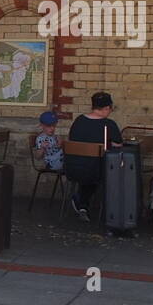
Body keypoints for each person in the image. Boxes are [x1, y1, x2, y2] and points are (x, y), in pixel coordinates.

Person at [66, 91, 121, 221]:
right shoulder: (109, 124)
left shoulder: (79, 121)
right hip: (96, 172)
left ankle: (82, 204)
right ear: (107, 108)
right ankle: (112, 210)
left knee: (89, 167)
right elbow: (118, 145)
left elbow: (71, 139)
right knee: (103, 169)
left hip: (72, 169)